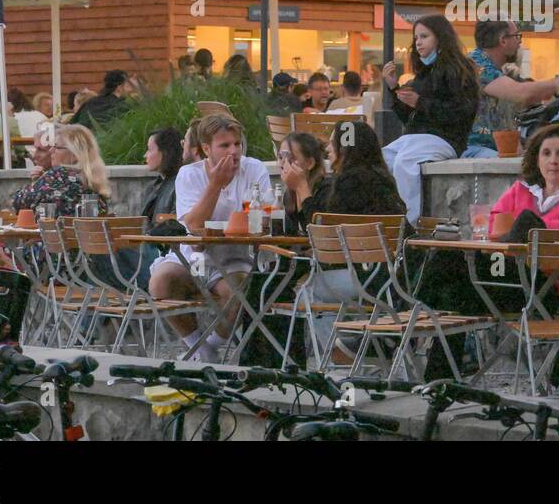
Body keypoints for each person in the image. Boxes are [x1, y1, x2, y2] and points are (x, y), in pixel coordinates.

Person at [420, 123, 559, 380]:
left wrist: (518, 230)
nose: (553, 160)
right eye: (546, 153)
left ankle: (408, 306)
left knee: (527, 222)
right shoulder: (520, 190)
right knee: (451, 287)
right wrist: (513, 235)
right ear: (536, 159)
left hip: (542, 286)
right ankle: (439, 382)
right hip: (501, 277)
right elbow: (494, 223)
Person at [147, 114, 272, 362]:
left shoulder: (254, 168)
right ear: (206, 149)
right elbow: (193, 227)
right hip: (195, 256)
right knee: (160, 282)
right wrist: (215, 184)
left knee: (237, 291)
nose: (234, 151)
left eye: (237, 144)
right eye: (225, 145)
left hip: (235, 256)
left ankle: (210, 347)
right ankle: (197, 345)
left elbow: (263, 220)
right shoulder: (189, 175)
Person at [287, 119, 407, 360]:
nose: (328, 149)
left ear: (345, 148)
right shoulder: (383, 179)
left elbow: (321, 234)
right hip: (392, 276)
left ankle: (339, 354)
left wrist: (301, 187)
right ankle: (361, 345)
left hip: (367, 278)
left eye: (332, 143)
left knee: (308, 289)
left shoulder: (348, 182)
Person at [381, 14, 481, 224]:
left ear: (440, 38)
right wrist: (394, 89)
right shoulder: (424, 73)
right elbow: (410, 118)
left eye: (424, 36)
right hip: (416, 137)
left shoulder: (458, 71)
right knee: (381, 159)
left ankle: (410, 223)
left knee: (405, 162)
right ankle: (387, 216)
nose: (418, 42)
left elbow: (460, 112)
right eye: (416, 37)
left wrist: (420, 103)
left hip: (444, 138)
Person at [464, 19, 559, 158]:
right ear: (503, 40)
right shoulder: (476, 65)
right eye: (517, 36)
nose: (520, 42)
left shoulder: (494, 70)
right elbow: (520, 93)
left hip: (491, 149)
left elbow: (508, 120)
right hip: (474, 149)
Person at [8, 124, 111, 216]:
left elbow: (17, 202)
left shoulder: (59, 174)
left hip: (54, 236)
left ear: (74, 154)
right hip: (84, 236)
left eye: (57, 147)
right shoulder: (93, 179)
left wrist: (39, 181)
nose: (52, 151)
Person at [275, 131, 328, 229]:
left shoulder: (326, 190)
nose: (283, 163)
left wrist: (301, 187)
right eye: (280, 157)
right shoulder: (289, 194)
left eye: (290, 158)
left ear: (310, 163)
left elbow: (317, 230)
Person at [139, 127, 184, 225]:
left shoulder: (181, 184)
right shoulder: (153, 186)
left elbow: (175, 224)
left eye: (150, 150)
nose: (145, 155)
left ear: (165, 152)